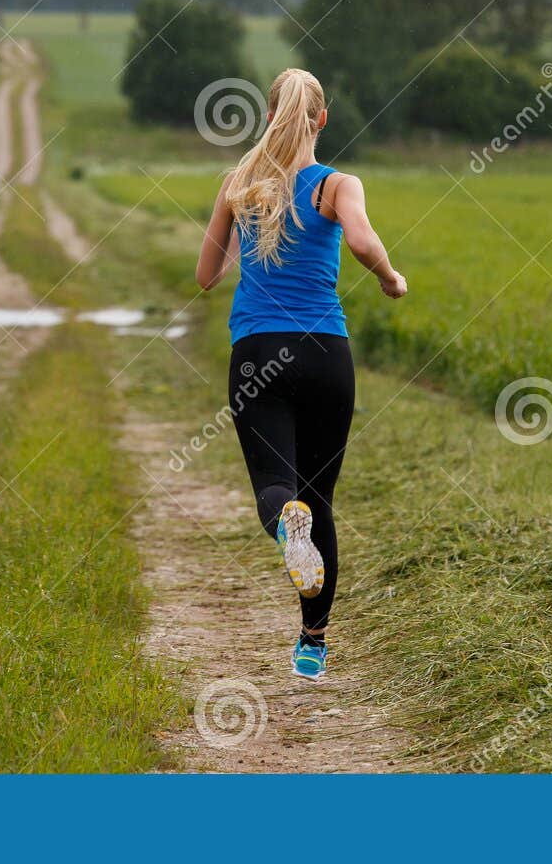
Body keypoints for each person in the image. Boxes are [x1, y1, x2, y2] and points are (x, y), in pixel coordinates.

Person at [195, 68, 407, 680]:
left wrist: (244, 225)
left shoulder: (239, 185)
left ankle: (287, 520)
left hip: (259, 353)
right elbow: (364, 243)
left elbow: (206, 276)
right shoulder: (338, 185)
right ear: (321, 118)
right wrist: (390, 279)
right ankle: (312, 643)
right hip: (326, 355)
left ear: (268, 117)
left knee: (276, 487)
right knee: (322, 498)